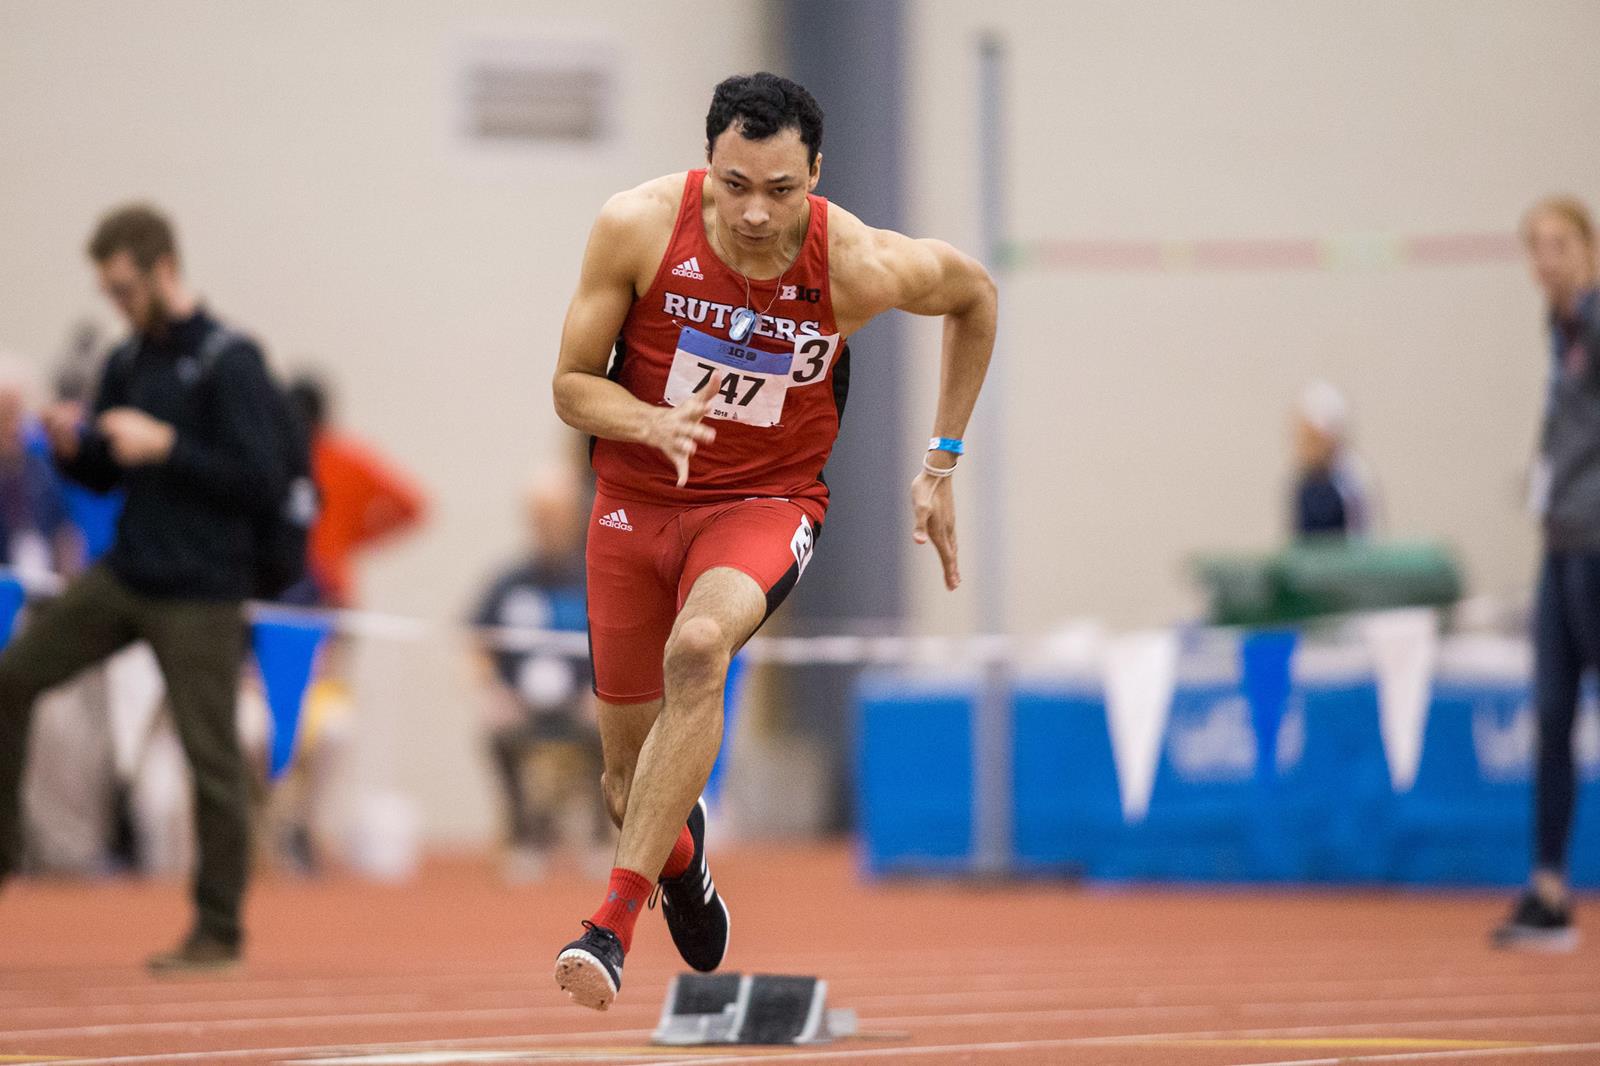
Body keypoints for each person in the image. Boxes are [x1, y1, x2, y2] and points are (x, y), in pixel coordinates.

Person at [548, 72, 996, 1009]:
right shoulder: (636, 227)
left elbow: (975, 297)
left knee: (701, 646)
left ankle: (610, 925)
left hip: (766, 499)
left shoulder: (855, 266)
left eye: (781, 191)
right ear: (705, 167)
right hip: (635, 499)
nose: (755, 214)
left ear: (816, 177)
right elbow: (571, 385)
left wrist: (943, 461)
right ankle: (680, 860)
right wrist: (647, 423)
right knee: (629, 791)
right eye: (734, 185)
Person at [0, 203, 287, 972]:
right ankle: (7, 855)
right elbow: (105, 471)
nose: (119, 306)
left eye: (126, 289)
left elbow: (261, 481)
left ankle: (218, 931)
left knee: (210, 758)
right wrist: (72, 447)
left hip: (201, 589)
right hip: (127, 574)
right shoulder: (128, 360)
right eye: (108, 293)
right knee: (11, 676)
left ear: (164, 269)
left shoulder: (232, 360)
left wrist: (167, 445)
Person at [1493, 195, 1600, 951]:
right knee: (1553, 714)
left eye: (1559, 243)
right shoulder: (1555, 329)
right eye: (1535, 246)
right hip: (1560, 542)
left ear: (1589, 249)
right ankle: (1549, 890)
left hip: (1597, 543)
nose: (1546, 259)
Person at [469, 462, 608, 882]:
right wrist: (493, 689)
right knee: (494, 728)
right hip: (522, 703)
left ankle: (601, 836)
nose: (547, 526)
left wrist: (605, 693)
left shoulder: (597, 576)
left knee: (615, 727)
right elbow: (477, 644)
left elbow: (628, 644)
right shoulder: (508, 581)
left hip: (584, 701)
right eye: (539, 517)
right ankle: (524, 835)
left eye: (555, 516)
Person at [1290, 380, 1376, 539]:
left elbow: (1361, 541)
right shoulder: (1302, 483)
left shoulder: (1351, 481)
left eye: (1310, 438)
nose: (1302, 444)